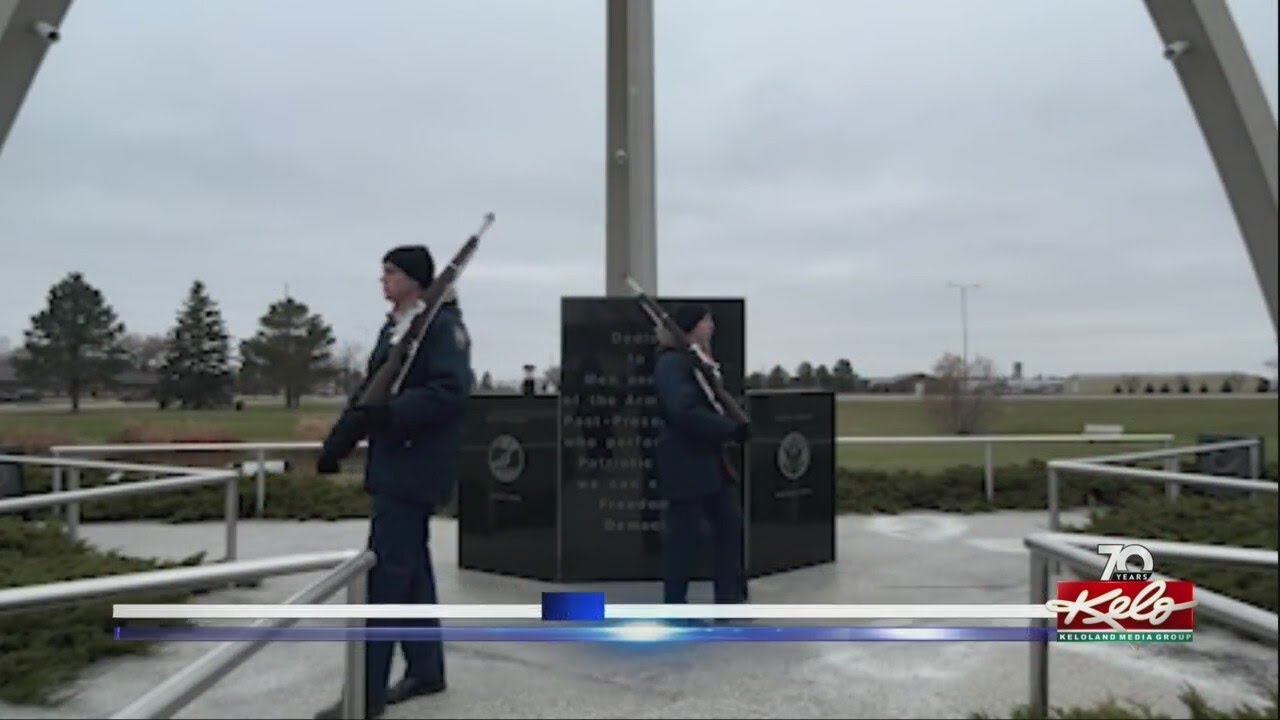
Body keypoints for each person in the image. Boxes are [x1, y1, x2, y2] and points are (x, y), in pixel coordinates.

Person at [312, 244, 474, 720]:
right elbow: (372, 390)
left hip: (414, 470)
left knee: (383, 581)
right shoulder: (397, 328)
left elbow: (450, 392)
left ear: (415, 280)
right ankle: (426, 670)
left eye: (391, 273)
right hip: (395, 467)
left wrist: (391, 415)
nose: (382, 280)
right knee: (411, 574)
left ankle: (365, 696)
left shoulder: (442, 328)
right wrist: (337, 445)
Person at [652, 303, 749, 608]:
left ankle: (729, 600)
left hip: (710, 463)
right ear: (691, 326)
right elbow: (683, 411)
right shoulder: (673, 364)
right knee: (684, 539)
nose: (711, 326)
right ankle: (675, 607)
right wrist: (727, 429)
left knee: (730, 529)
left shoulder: (696, 362)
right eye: (706, 321)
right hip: (686, 462)